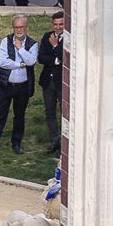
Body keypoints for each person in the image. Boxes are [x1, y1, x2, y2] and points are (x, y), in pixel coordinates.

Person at [0, 18, 38, 154]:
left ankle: (16, 143)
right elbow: (3, 62)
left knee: (19, 115)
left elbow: (32, 61)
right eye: (16, 27)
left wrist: (20, 48)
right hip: (6, 85)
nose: (19, 30)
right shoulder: (5, 41)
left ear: (26, 27)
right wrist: (20, 64)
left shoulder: (33, 44)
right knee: (0, 115)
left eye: (21, 27)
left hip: (23, 86)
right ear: (13, 28)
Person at [38, 9, 65, 152]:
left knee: (63, 112)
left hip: (61, 82)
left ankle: (63, 141)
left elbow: (65, 57)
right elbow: (41, 57)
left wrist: (55, 46)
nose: (58, 27)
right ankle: (53, 140)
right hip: (48, 81)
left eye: (60, 24)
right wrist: (55, 60)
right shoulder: (46, 37)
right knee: (49, 112)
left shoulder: (68, 38)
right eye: (55, 24)